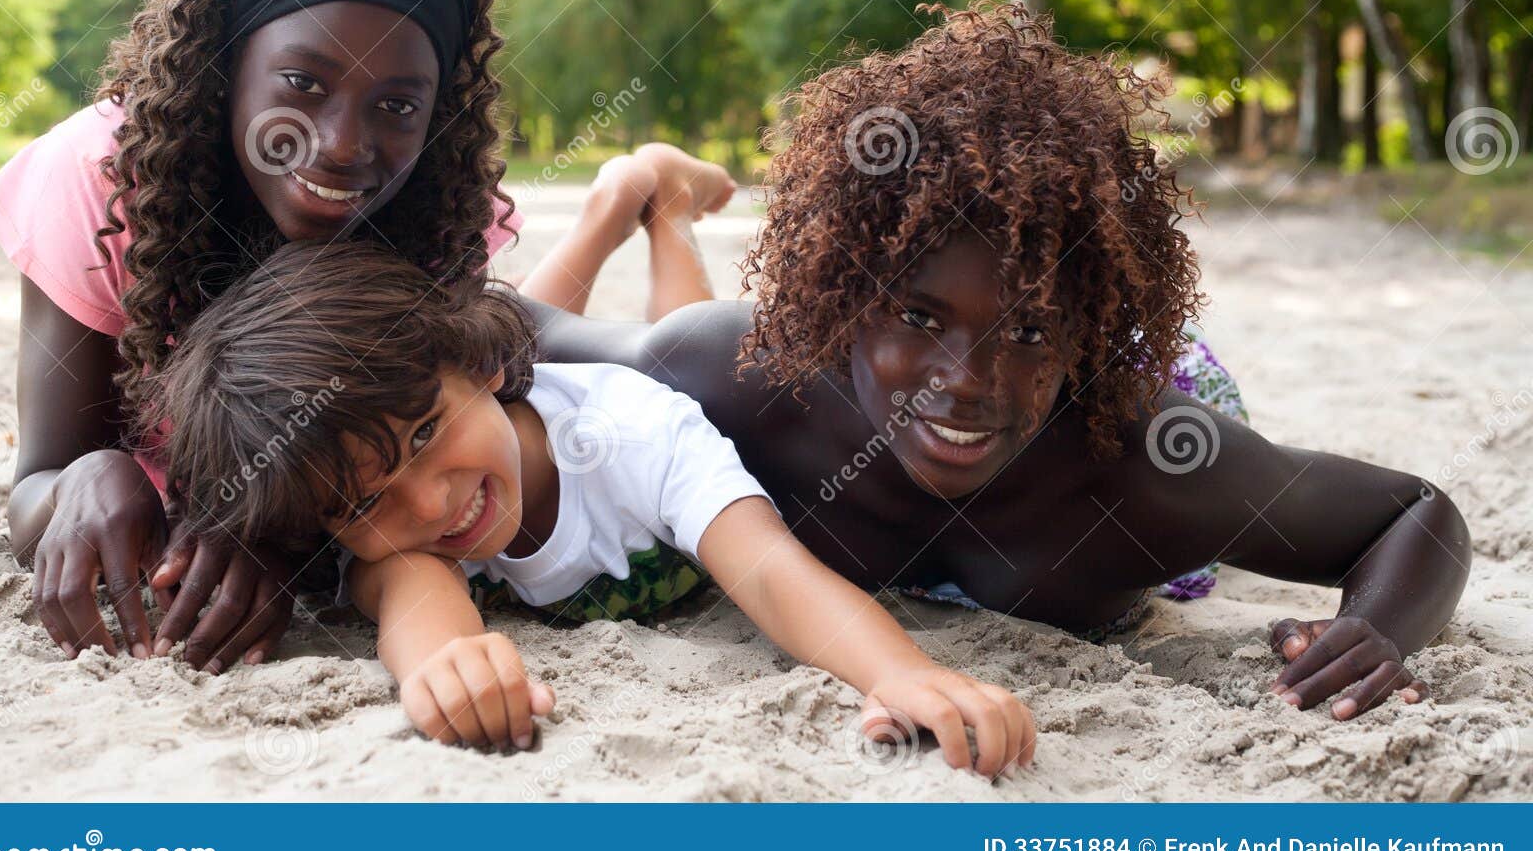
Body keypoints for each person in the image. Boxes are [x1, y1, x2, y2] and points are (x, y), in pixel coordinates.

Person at [527, 3, 1472, 721]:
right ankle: (652, 201)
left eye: (1024, 329)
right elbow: (510, 323)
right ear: (844, 300)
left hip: (1155, 380)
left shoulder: (1154, 469)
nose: (965, 377)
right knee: (673, 356)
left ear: (1080, 328)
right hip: (768, 353)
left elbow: (1411, 511)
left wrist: (1378, 628)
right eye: (916, 313)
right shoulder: (757, 379)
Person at [0, 0, 732, 675]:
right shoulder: (102, 187)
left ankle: (652, 204)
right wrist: (92, 472)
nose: (342, 146)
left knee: (608, 367)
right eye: (302, 82)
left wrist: (270, 533)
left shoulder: (423, 198)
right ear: (229, 65)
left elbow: (509, 375)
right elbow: (36, 484)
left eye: (397, 103)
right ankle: (618, 201)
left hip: (483, 342)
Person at [145, 241, 1037, 777]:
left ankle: (655, 207)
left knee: (684, 320)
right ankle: (619, 200)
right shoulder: (397, 535)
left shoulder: (636, 432)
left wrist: (899, 672)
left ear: (480, 365)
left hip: (694, 376)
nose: (433, 502)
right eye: (368, 499)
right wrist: (447, 666)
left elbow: (771, 572)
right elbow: (411, 590)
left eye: (425, 433)